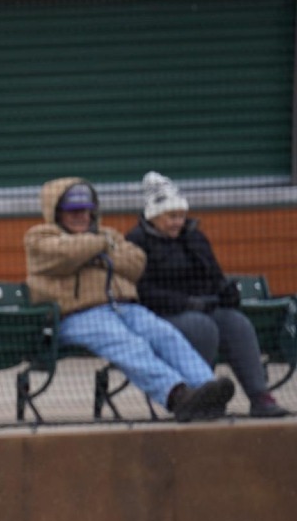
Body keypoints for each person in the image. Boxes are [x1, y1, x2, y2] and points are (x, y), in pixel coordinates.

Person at [24, 178, 233, 422]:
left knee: (165, 334)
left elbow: (136, 262)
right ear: (57, 212)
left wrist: (94, 255)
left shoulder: (108, 233)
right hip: (76, 315)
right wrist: (102, 247)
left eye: (86, 210)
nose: (81, 216)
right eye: (73, 211)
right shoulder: (39, 237)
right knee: (129, 344)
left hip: (123, 308)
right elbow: (66, 254)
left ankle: (206, 388)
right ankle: (176, 395)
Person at [126, 172, 287, 419]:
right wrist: (186, 303)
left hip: (201, 307)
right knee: (201, 327)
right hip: (161, 313)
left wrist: (225, 292)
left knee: (236, 323)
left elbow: (215, 276)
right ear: (153, 216)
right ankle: (201, 395)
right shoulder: (136, 241)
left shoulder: (195, 237)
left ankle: (260, 397)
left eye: (181, 216)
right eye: (171, 217)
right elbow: (141, 291)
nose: (178, 222)